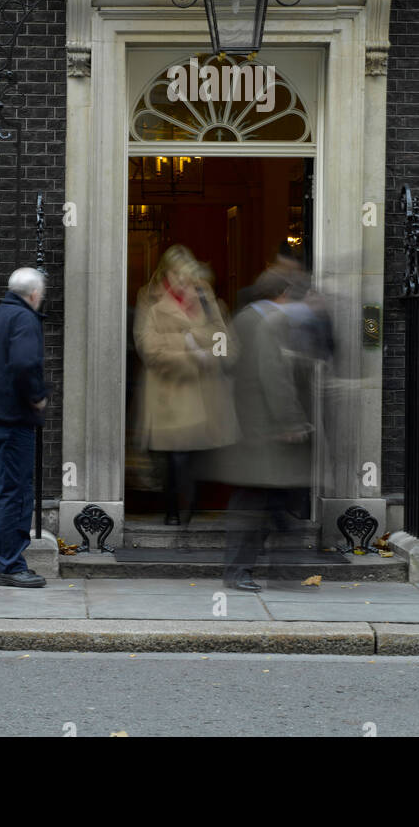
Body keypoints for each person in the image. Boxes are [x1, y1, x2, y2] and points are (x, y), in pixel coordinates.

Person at [209, 268, 315, 591]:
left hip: (246, 427)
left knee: (266, 503)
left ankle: (265, 570)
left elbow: (225, 363)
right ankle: (240, 571)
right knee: (252, 505)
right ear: (281, 294)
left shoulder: (242, 319)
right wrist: (290, 422)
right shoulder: (270, 322)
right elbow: (275, 376)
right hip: (263, 432)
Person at [133, 245, 239, 525]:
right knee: (174, 456)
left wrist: (198, 341)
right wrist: (190, 348)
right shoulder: (150, 299)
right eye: (178, 273)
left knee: (195, 456)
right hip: (170, 392)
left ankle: (189, 509)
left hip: (205, 391)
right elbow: (149, 349)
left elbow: (225, 344)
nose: (184, 280)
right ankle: (175, 511)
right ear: (166, 272)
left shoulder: (205, 298)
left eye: (187, 273)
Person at [0, 266, 49, 588]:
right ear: (33, 294)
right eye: (41, 293)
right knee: (17, 493)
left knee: (5, 491)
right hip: (11, 418)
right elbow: (24, 363)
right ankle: (9, 564)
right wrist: (37, 396)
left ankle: (4, 561)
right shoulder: (24, 319)